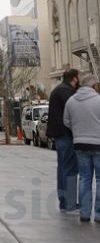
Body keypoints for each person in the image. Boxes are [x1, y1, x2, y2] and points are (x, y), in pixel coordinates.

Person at [63, 73, 100, 222]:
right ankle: (98, 214)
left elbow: (66, 121)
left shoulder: (71, 101)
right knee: (99, 179)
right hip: (98, 144)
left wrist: (78, 131)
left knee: (84, 178)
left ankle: (84, 213)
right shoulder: (98, 100)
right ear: (93, 86)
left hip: (79, 144)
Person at [46, 68, 80, 212]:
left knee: (62, 168)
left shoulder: (58, 90)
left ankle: (64, 202)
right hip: (66, 134)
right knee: (70, 169)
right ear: (74, 78)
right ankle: (69, 203)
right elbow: (73, 113)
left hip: (59, 134)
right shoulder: (67, 92)